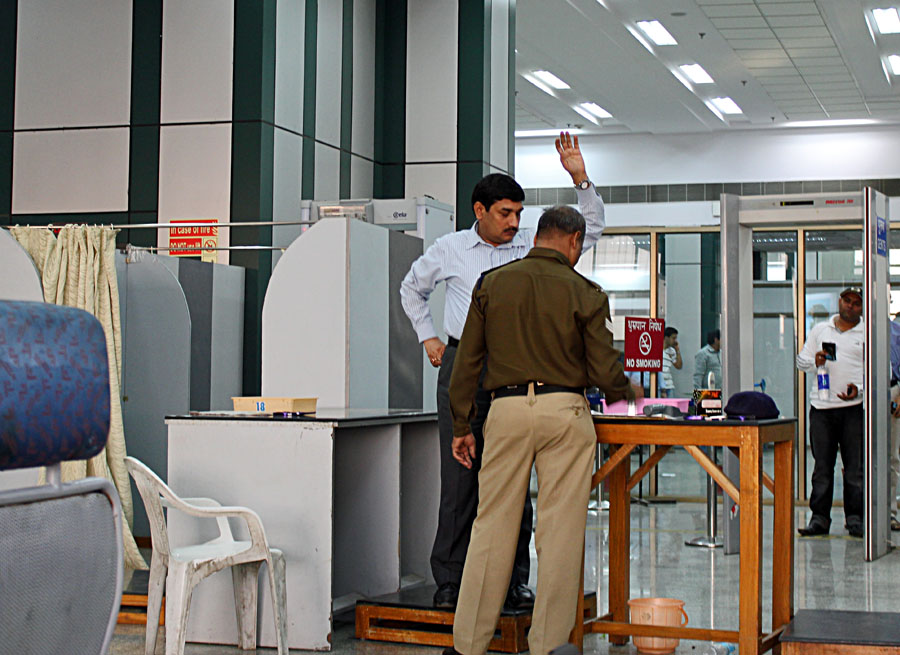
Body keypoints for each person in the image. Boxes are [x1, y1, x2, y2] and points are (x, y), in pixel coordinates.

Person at [399, 132, 606, 609]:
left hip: (517, 368)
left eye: (518, 213)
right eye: (504, 214)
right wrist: (428, 336)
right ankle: (450, 581)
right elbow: (411, 288)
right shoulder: (450, 250)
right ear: (479, 211)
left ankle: (514, 581)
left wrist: (579, 178)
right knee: (460, 480)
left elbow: (588, 231)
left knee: (514, 477)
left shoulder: (529, 241)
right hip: (462, 368)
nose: (514, 222)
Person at [446, 205, 636, 655]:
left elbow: (467, 361)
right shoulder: (585, 291)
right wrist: (631, 390)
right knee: (561, 532)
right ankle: (550, 646)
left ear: (537, 236)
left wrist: (461, 424)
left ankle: (466, 645)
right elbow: (605, 370)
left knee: (491, 527)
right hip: (564, 412)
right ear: (573, 241)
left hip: (506, 410)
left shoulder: (492, 283)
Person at [796, 287, 865, 538]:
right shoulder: (820, 330)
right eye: (847, 301)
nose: (850, 306)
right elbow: (800, 361)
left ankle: (855, 519)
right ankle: (820, 519)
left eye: (856, 304)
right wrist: (814, 360)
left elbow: (881, 370)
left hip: (853, 410)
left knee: (855, 468)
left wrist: (860, 389)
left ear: (861, 308)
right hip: (822, 410)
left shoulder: (866, 332)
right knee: (823, 467)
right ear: (840, 301)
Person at [889, 318, 900, 531]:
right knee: (856, 459)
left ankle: (889, 513)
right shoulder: (857, 330)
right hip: (858, 396)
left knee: (891, 457)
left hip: (891, 391)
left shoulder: (896, 332)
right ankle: (855, 514)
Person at [659, 326, 682, 397]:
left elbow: (678, 366)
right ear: (666, 338)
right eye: (673, 338)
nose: (675, 341)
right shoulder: (656, 350)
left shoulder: (672, 351)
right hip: (659, 386)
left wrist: (677, 350)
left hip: (669, 385)